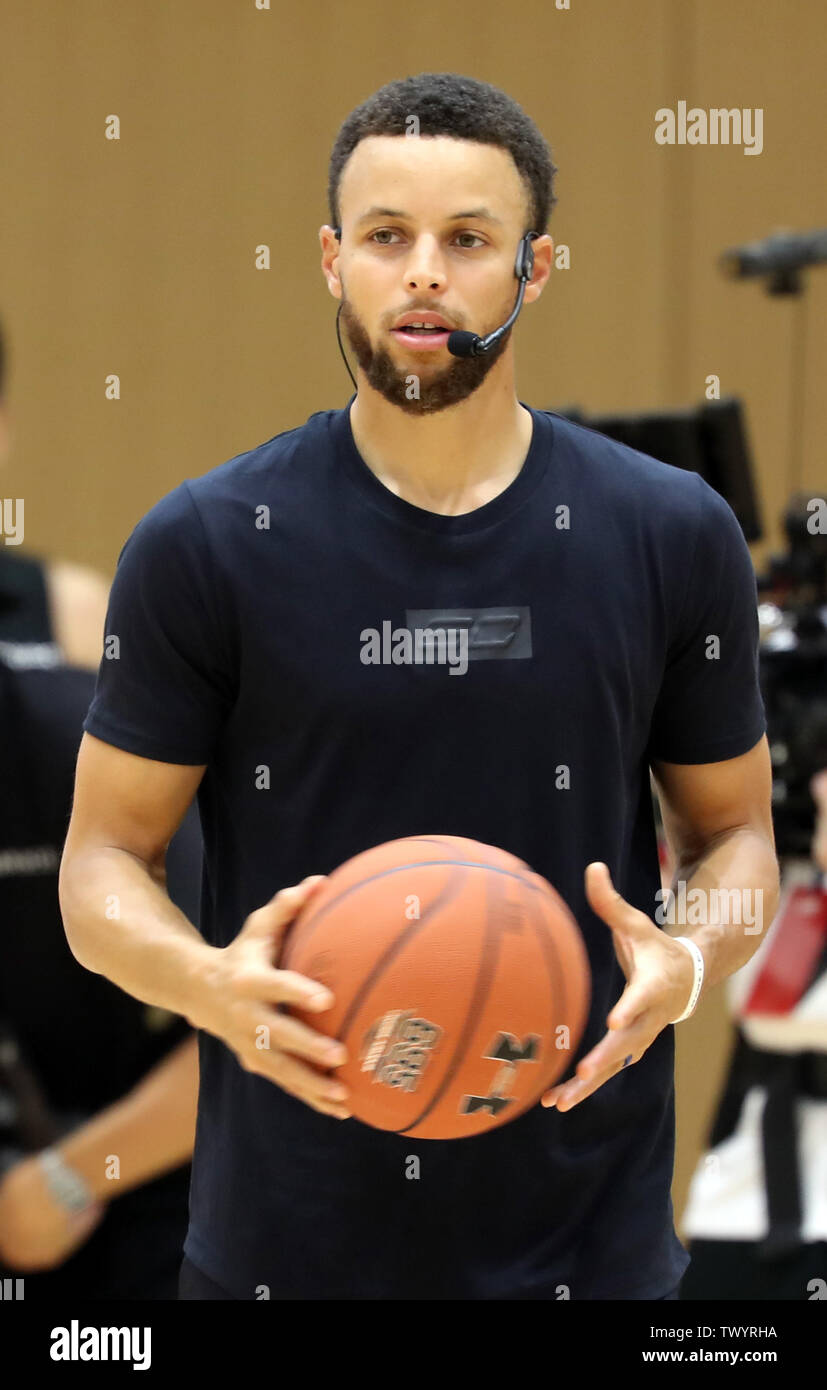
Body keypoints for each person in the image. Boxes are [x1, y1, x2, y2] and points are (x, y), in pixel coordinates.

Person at [59, 72, 779, 1301]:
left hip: (588, 1255)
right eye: (387, 238)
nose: (424, 275)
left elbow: (734, 837)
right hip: (284, 1253)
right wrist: (208, 986)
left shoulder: (667, 531)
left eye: (468, 240)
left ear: (534, 267)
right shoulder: (209, 541)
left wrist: (689, 956)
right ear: (332, 262)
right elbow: (100, 868)